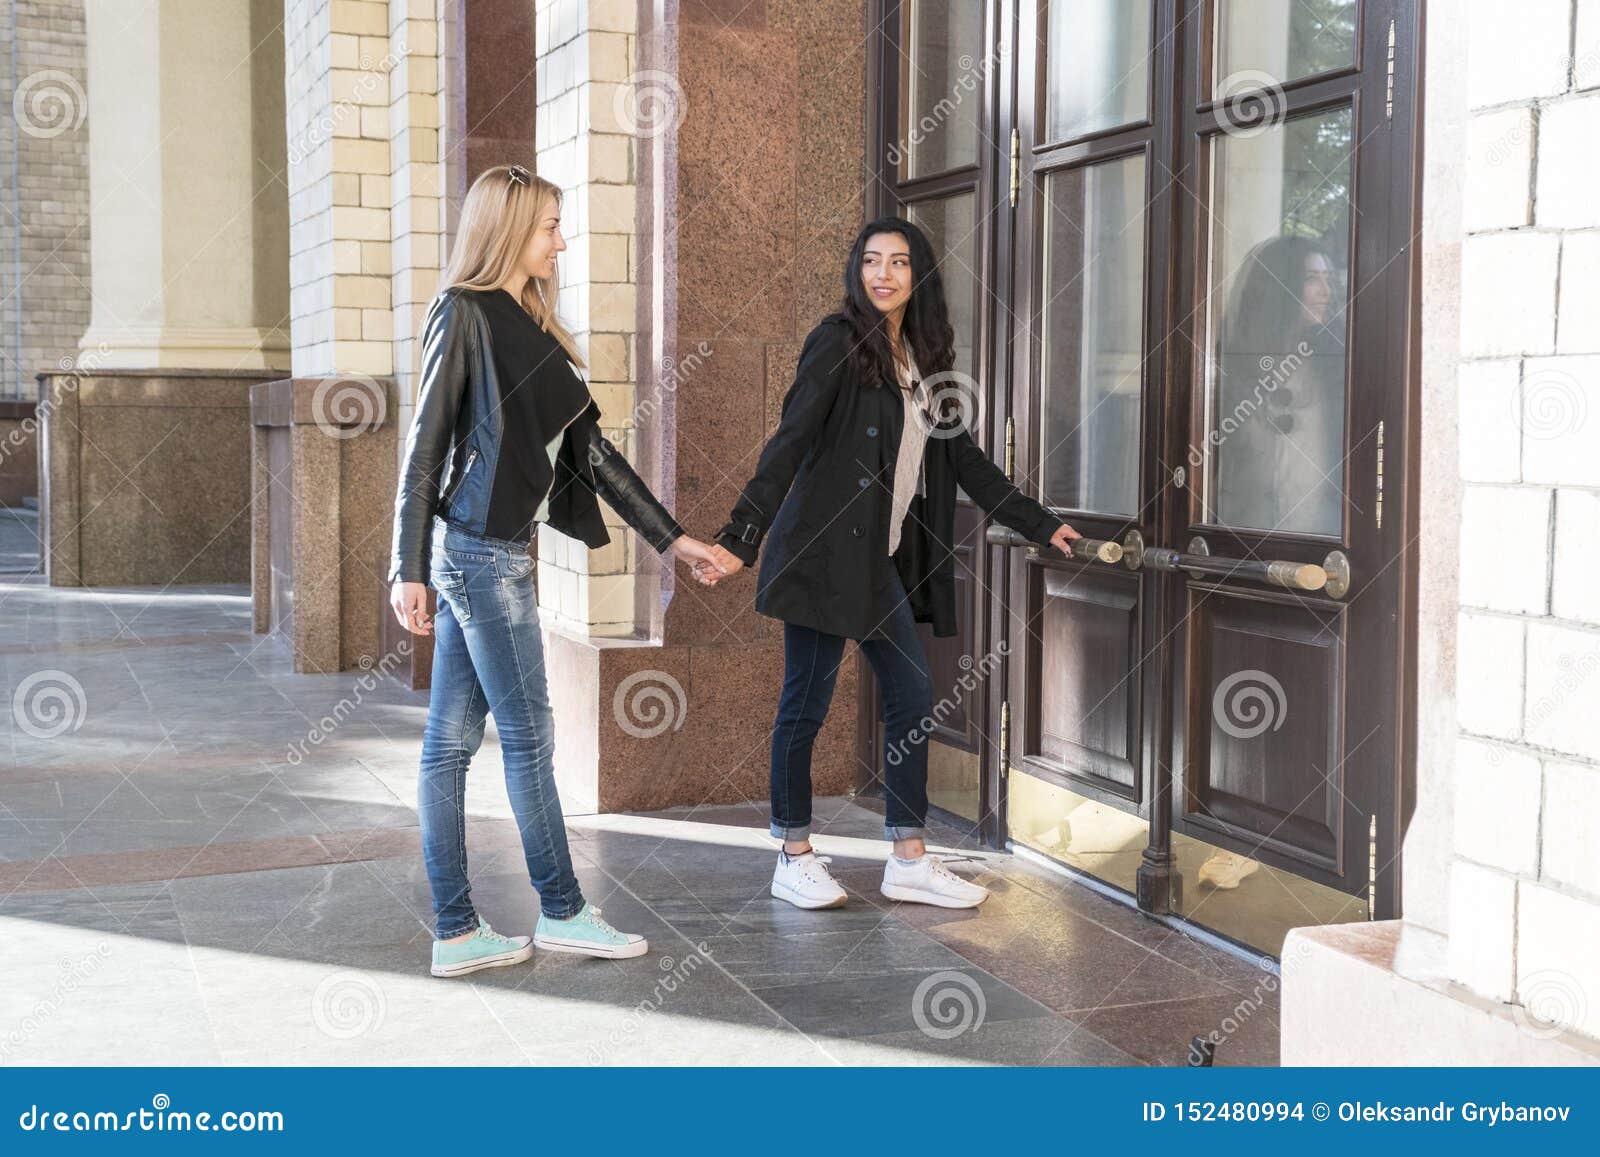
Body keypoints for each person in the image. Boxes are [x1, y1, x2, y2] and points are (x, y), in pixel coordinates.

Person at [387, 163, 724, 976]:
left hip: (493, 553)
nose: (561, 241)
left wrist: (672, 538)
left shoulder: (533, 325)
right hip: (475, 554)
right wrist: (405, 565)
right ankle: (564, 911)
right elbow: (424, 444)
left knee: (450, 744)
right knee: (530, 739)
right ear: (508, 231)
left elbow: (593, 455)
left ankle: (459, 930)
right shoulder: (463, 311)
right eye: (549, 227)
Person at [703, 216, 1081, 911]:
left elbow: (964, 459)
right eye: (871, 261)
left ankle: (907, 858)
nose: (882, 273)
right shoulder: (836, 343)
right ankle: (793, 851)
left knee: (910, 695)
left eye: (899, 263)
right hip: (819, 561)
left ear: (919, 276)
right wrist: (738, 537)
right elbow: (786, 444)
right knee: (805, 705)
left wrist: (1039, 522)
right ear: (857, 271)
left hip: (877, 568)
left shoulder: (925, 362)